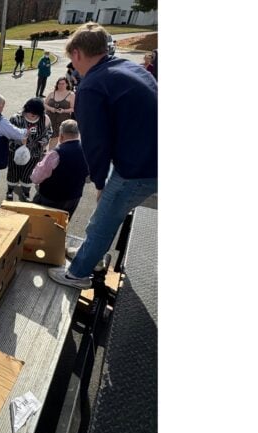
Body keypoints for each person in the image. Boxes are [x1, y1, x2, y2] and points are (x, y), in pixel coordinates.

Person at [48, 23, 157, 289]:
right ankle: (89, 254)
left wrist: (99, 183)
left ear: (76, 54)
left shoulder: (92, 86)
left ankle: (78, 274)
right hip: (149, 157)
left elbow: (95, 144)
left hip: (138, 167)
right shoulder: (127, 66)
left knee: (104, 220)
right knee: (103, 217)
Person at [31, 120, 88, 219]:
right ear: (77, 134)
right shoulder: (87, 151)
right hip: (73, 198)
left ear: (61, 136)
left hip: (50, 197)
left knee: (40, 225)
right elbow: (89, 177)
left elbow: (36, 178)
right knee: (61, 226)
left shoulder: (55, 153)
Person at [6, 97, 52, 202]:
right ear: (26, 109)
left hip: (34, 153)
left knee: (28, 173)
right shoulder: (16, 118)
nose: (33, 115)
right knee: (13, 171)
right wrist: (19, 141)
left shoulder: (45, 119)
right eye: (31, 112)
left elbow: (49, 132)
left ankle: (26, 192)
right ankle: (9, 191)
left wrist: (44, 141)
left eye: (36, 113)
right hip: (16, 152)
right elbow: (8, 135)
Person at [45, 76, 75, 150]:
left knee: (55, 137)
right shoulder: (52, 93)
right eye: (59, 84)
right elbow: (44, 104)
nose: (61, 85)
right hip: (49, 119)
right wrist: (51, 108)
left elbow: (73, 108)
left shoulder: (71, 95)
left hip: (62, 120)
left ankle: (49, 153)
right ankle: (42, 151)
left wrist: (63, 111)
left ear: (67, 84)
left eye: (63, 84)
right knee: (45, 136)